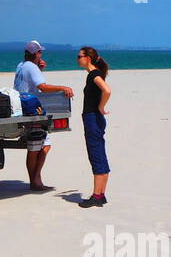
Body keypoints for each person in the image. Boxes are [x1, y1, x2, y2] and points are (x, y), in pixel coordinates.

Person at [13, 40, 74, 191]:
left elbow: (29, 84)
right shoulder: (31, 67)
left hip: (22, 106)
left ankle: (35, 179)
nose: (41, 55)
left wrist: (39, 70)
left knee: (42, 145)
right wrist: (63, 87)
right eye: (40, 52)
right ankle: (35, 181)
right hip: (32, 109)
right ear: (36, 53)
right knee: (37, 146)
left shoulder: (21, 65)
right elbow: (43, 87)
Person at [76, 46, 111, 207]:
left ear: (87, 58)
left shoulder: (94, 75)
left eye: (79, 56)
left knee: (96, 154)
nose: (78, 59)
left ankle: (96, 196)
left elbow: (107, 91)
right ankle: (101, 194)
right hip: (94, 118)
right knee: (99, 153)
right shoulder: (94, 74)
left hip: (93, 118)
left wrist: (100, 107)